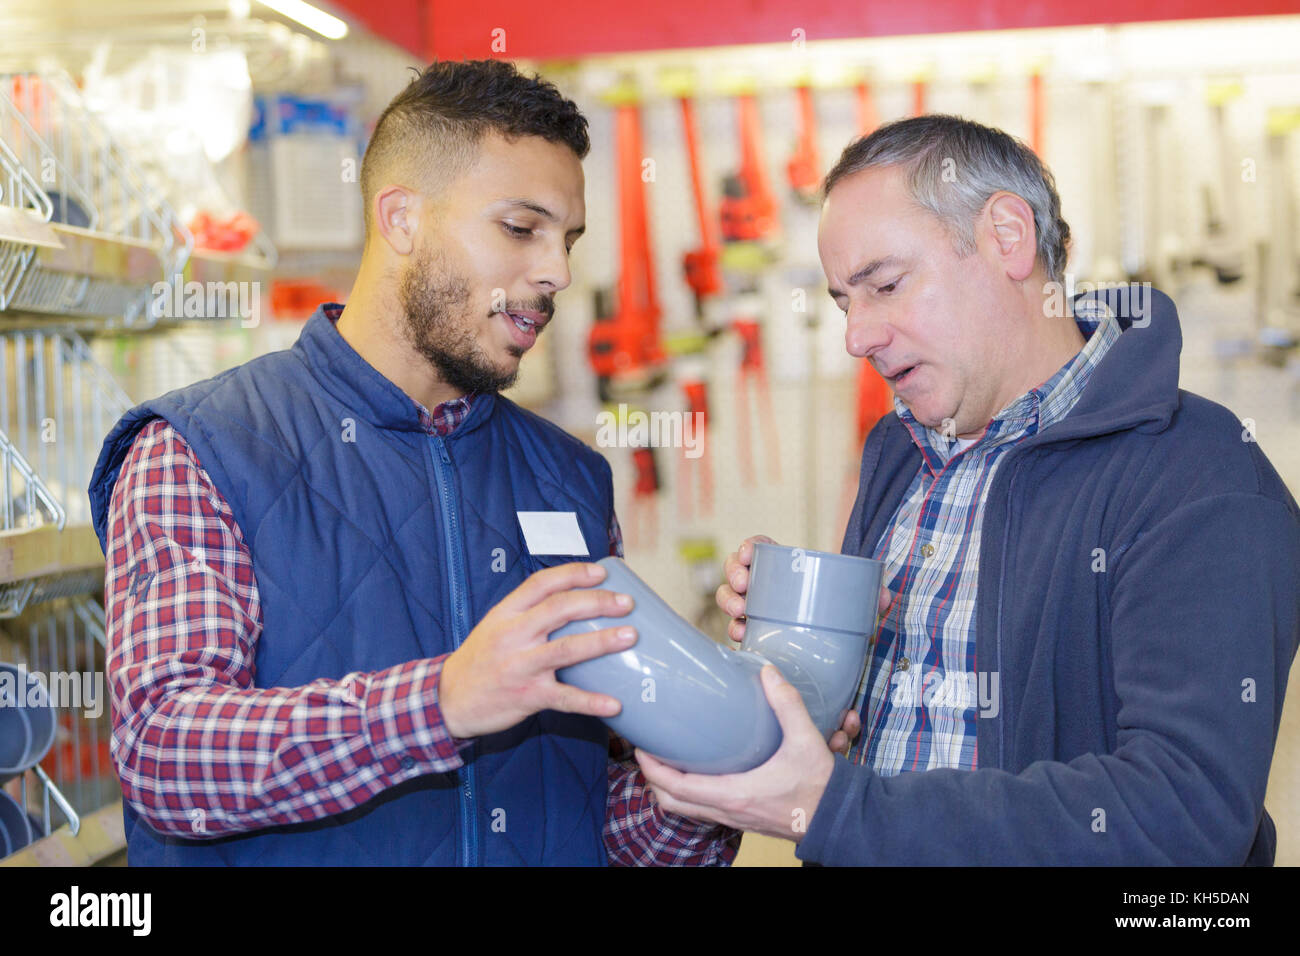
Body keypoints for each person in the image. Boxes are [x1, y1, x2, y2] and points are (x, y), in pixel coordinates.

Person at [86, 59, 762, 866]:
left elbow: (596, 814)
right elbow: (167, 756)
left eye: (568, 240)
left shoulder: (572, 479)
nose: (557, 273)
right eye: (522, 228)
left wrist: (722, 764)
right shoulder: (200, 449)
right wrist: (440, 703)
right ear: (401, 219)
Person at [637, 114, 1300, 865]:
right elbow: (891, 745)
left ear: (1008, 237)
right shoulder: (898, 449)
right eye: (844, 302)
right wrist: (802, 665)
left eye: (884, 284)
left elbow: (1183, 817)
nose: (857, 337)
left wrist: (833, 806)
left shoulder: (1202, 475)